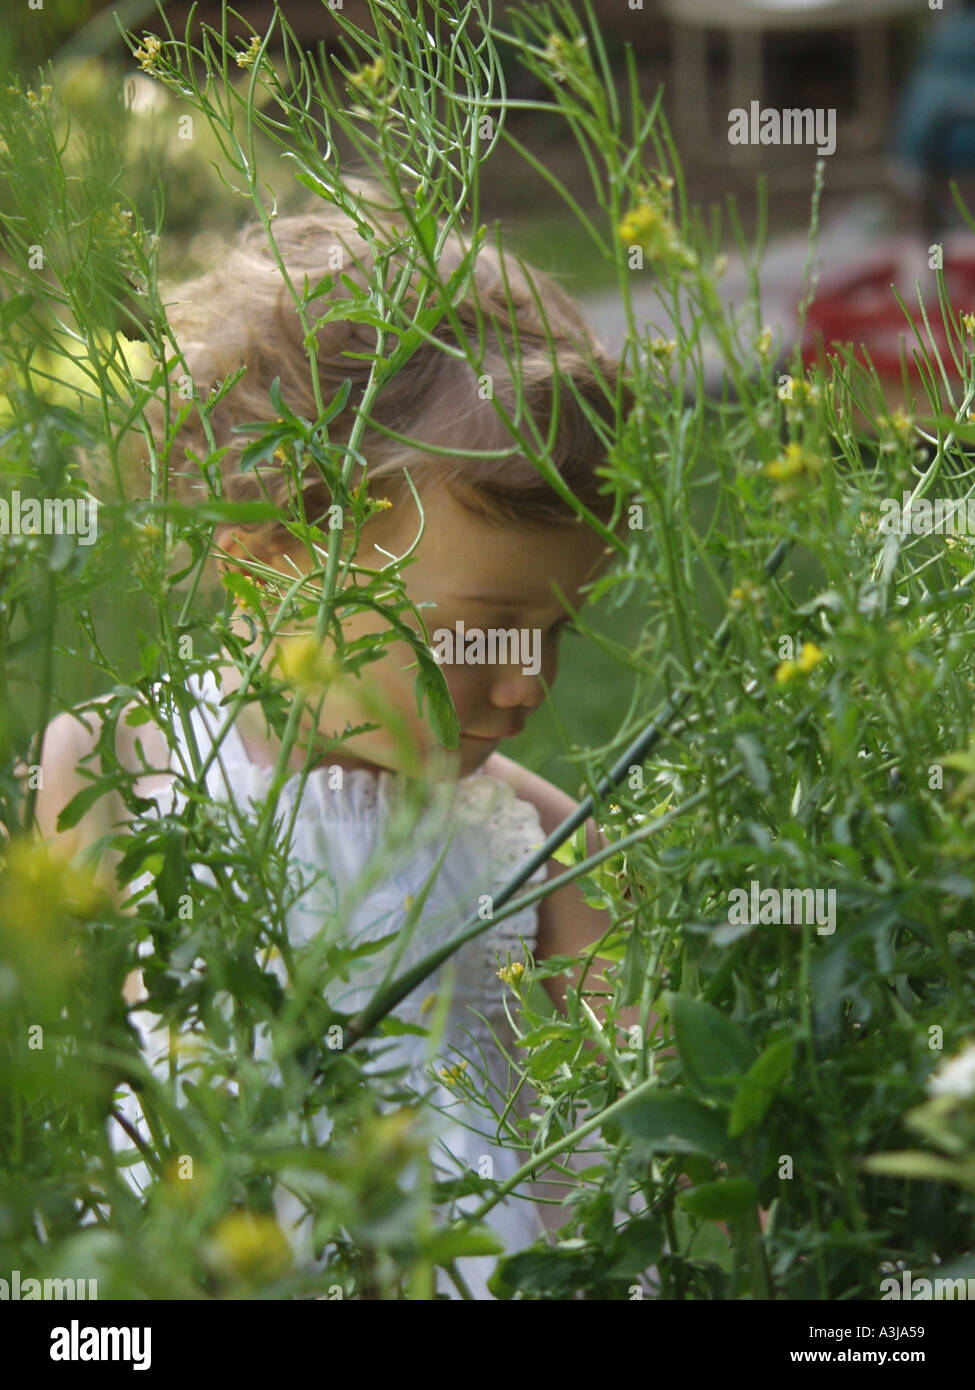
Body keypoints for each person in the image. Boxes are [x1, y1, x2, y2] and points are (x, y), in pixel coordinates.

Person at [30, 179, 640, 1299]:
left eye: (561, 629)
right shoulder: (119, 769)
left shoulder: (541, 838)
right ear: (274, 553)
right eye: (490, 628)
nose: (528, 681)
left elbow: (651, 1105)